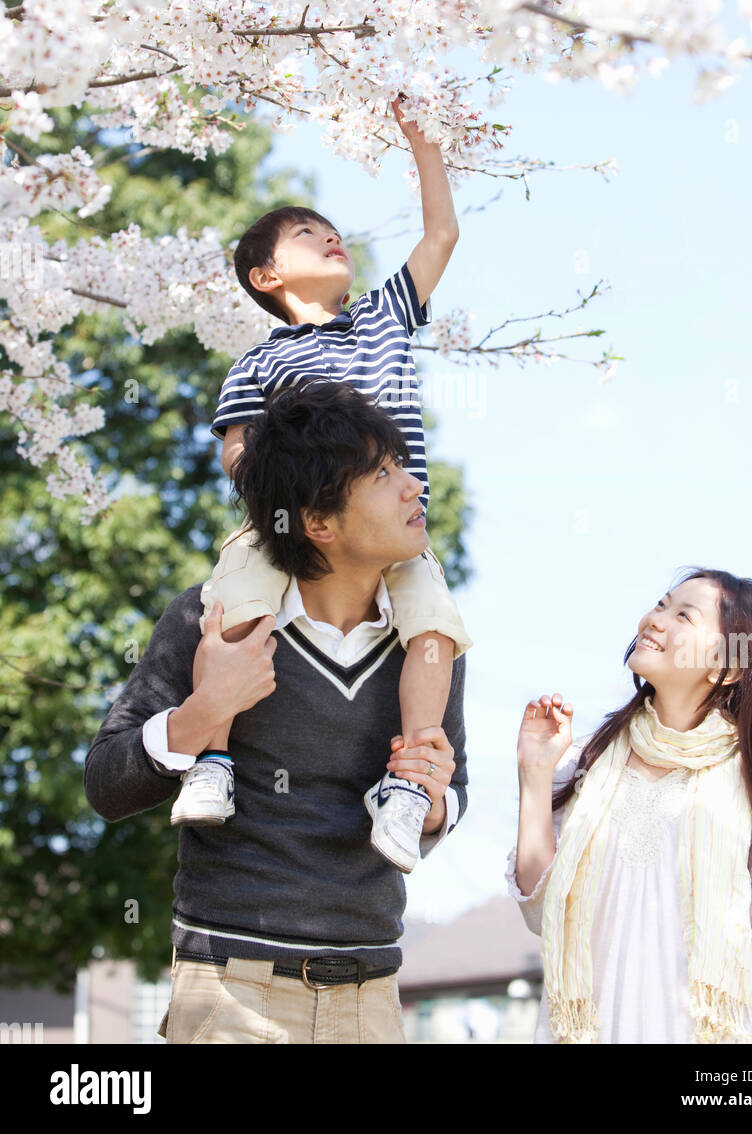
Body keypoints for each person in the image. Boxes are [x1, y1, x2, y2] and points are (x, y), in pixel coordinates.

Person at [83, 380, 468, 1044]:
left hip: (370, 995)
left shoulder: (430, 645)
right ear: (317, 522)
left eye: (402, 466)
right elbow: (105, 784)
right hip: (230, 987)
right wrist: (202, 714)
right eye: (383, 473)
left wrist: (434, 798)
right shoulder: (211, 618)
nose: (413, 487)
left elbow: (450, 795)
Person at [170, 96, 470, 875]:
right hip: (285, 522)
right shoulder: (258, 364)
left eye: (332, 230)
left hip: (396, 535)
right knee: (233, 608)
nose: (329, 236)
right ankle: (213, 756)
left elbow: (441, 235)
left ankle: (407, 784)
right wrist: (290, 502)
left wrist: (423, 141)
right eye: (306, 233)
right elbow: (239, 454)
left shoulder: (381, 320)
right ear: (267, 275)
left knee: (432, 629)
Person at [508, 567, 752, 1045]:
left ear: (727, 668)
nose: (655, 619)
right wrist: (535, 776)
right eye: (661, 604)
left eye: (684, 615)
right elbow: (541, 913)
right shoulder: (589, 762)